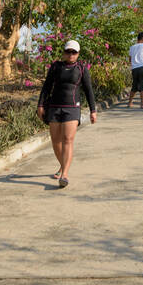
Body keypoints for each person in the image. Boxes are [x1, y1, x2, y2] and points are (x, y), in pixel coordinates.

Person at [36, 39, 98, 187]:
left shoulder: (81, 68)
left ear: (78, 54)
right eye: (68, 52)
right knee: (56, 141)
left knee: (68, 139)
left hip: (72, 108)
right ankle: (62, 165)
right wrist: (40, 105)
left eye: (74, 52)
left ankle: (64, 174)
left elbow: (89, 90)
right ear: (64, 53)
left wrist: (93, 110)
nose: (70, 55)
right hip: (55, 107)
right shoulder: (56, 67)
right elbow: (46, 87)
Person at [126, 31, 143, 108]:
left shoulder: (132, 47)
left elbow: (130, 60)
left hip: (134, 69)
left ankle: (129, 103)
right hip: (142, 68)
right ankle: (142, 104)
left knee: (134, 86)